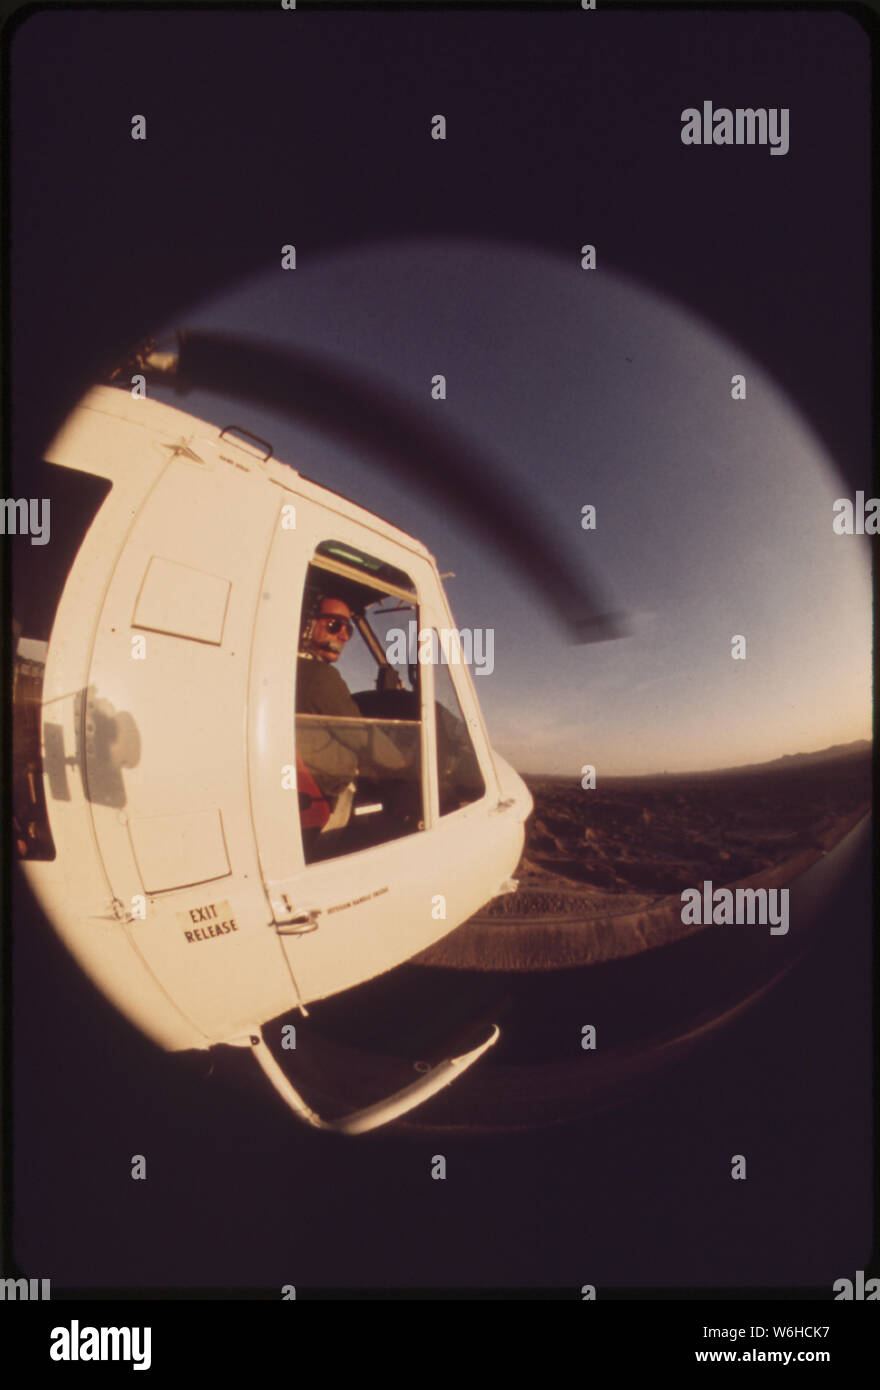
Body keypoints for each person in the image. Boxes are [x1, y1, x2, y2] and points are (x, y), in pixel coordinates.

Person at [295, 593, 408, 813]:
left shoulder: (294, 668)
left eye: (349, 629)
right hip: (326, 796)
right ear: (307, 625)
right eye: (334, 625)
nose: (344, 636)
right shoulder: (320, 675)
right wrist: (401, 762)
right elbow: (361, 735)